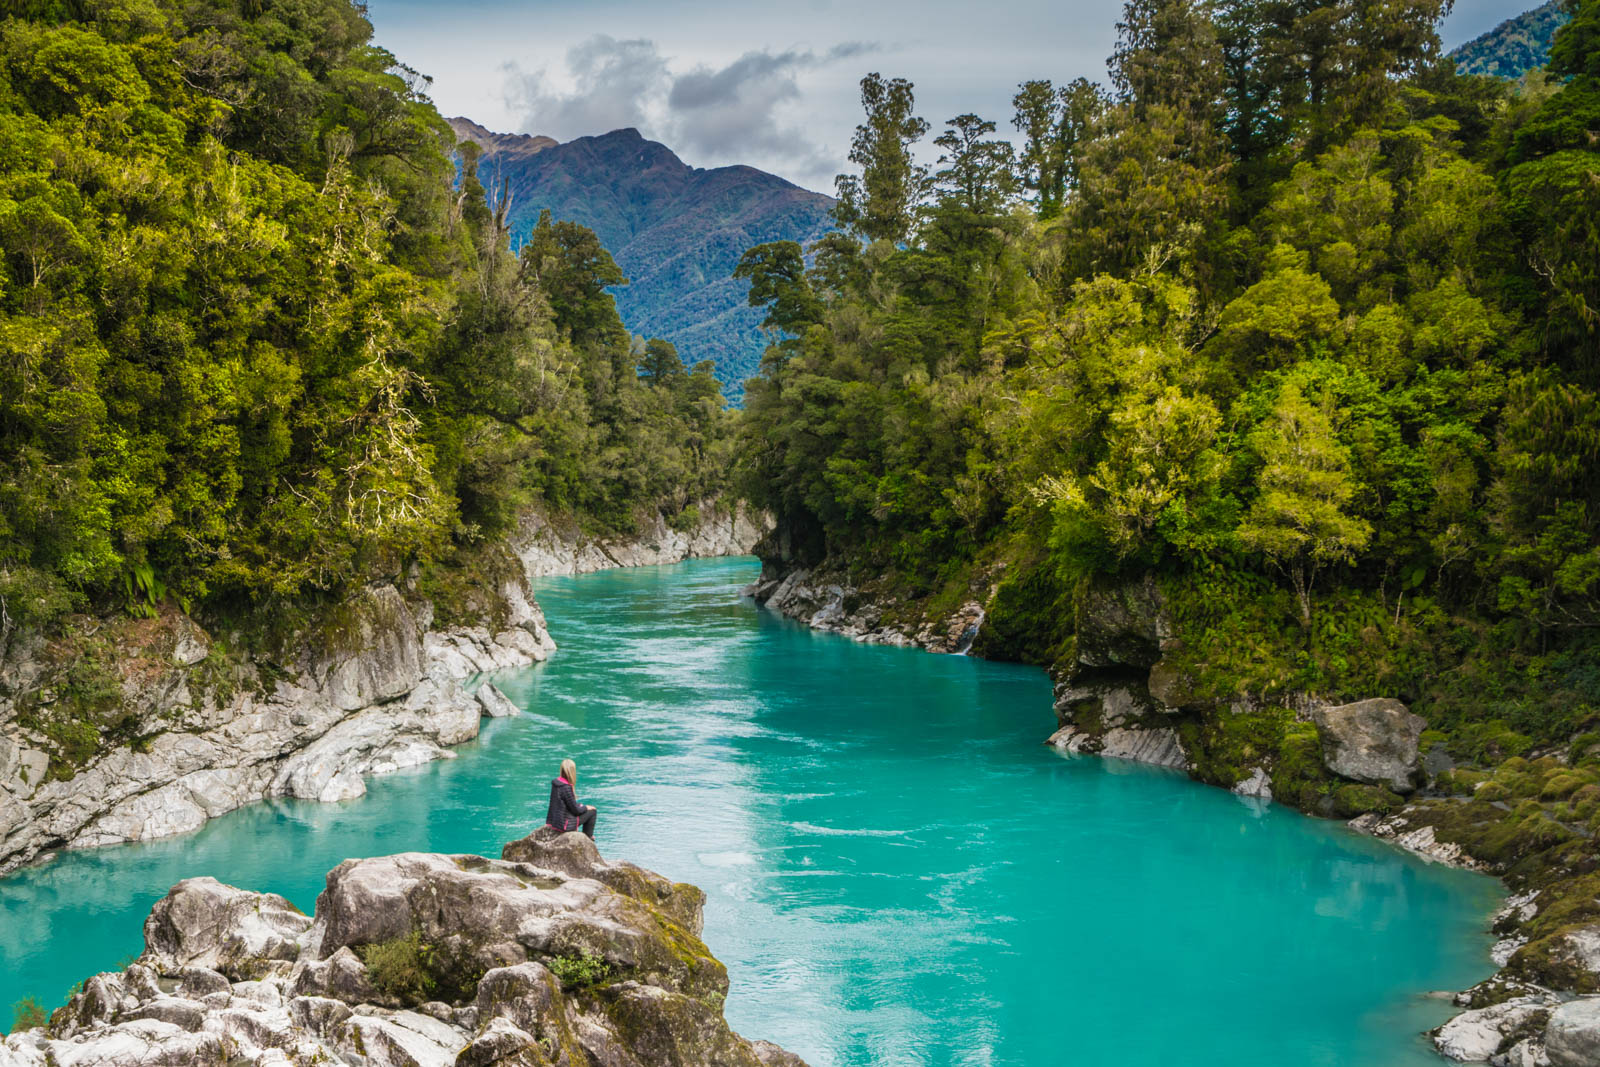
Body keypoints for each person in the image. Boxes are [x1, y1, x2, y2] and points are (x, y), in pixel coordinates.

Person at [546, 758, 597, 839]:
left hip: (555, 821)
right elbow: (576, 811)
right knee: (593, 811)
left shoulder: (556, 783)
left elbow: (565, 804)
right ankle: (588, 837)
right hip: (565, 824)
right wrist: (586, 807)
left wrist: (580, 806)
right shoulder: (566, 787)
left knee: (583, 807)